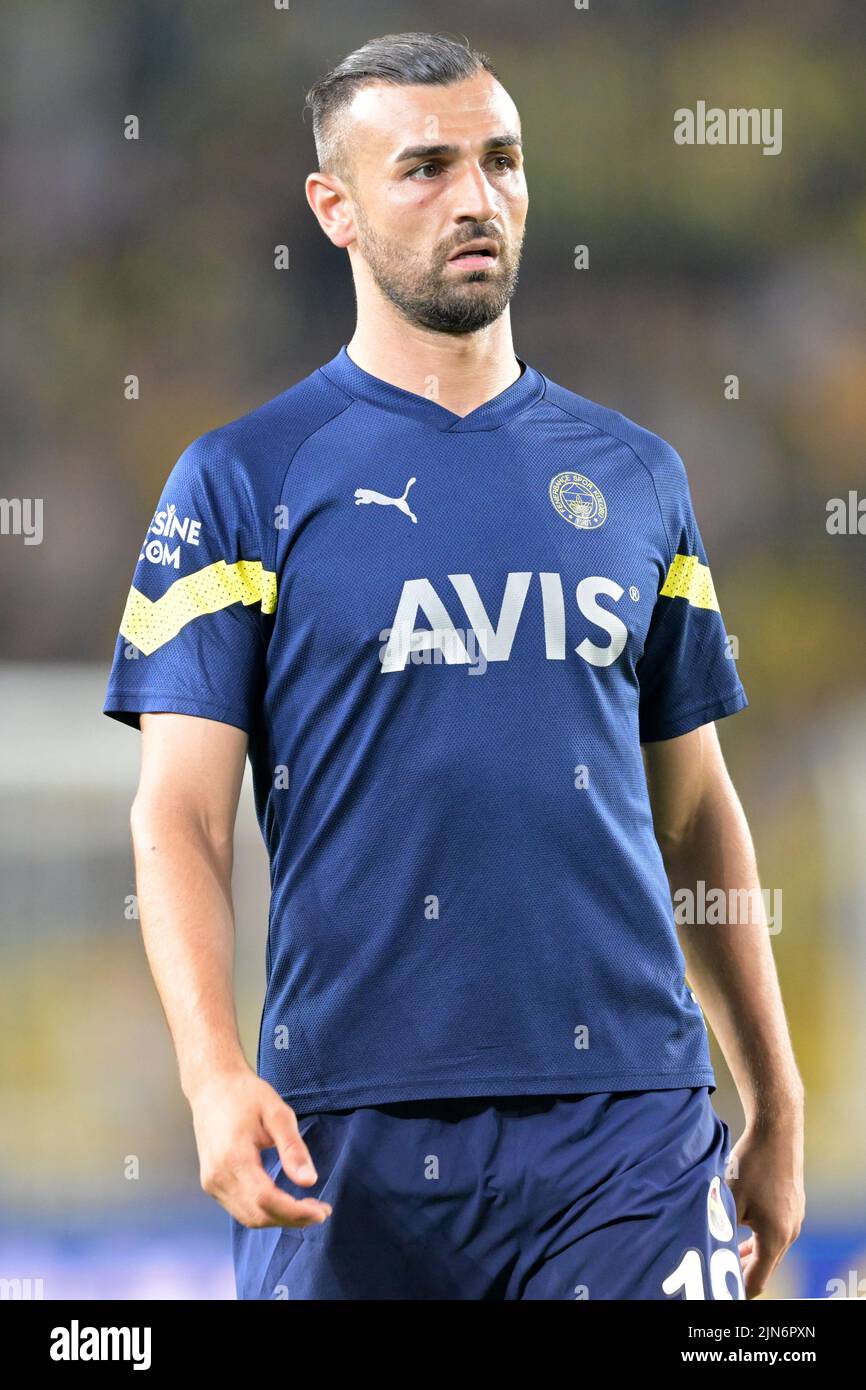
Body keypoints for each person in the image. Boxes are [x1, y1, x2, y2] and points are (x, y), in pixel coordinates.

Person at [103, 30, 805, 1300]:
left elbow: (693, 805)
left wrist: (775, 1093)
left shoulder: (638, 475)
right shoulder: (242, 480)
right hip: (345, 1129)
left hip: (627, 1125)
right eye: (424, 167)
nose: (475, 197)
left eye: (500, 161)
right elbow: (181, 814)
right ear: (334, 207)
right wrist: (211, 1074)